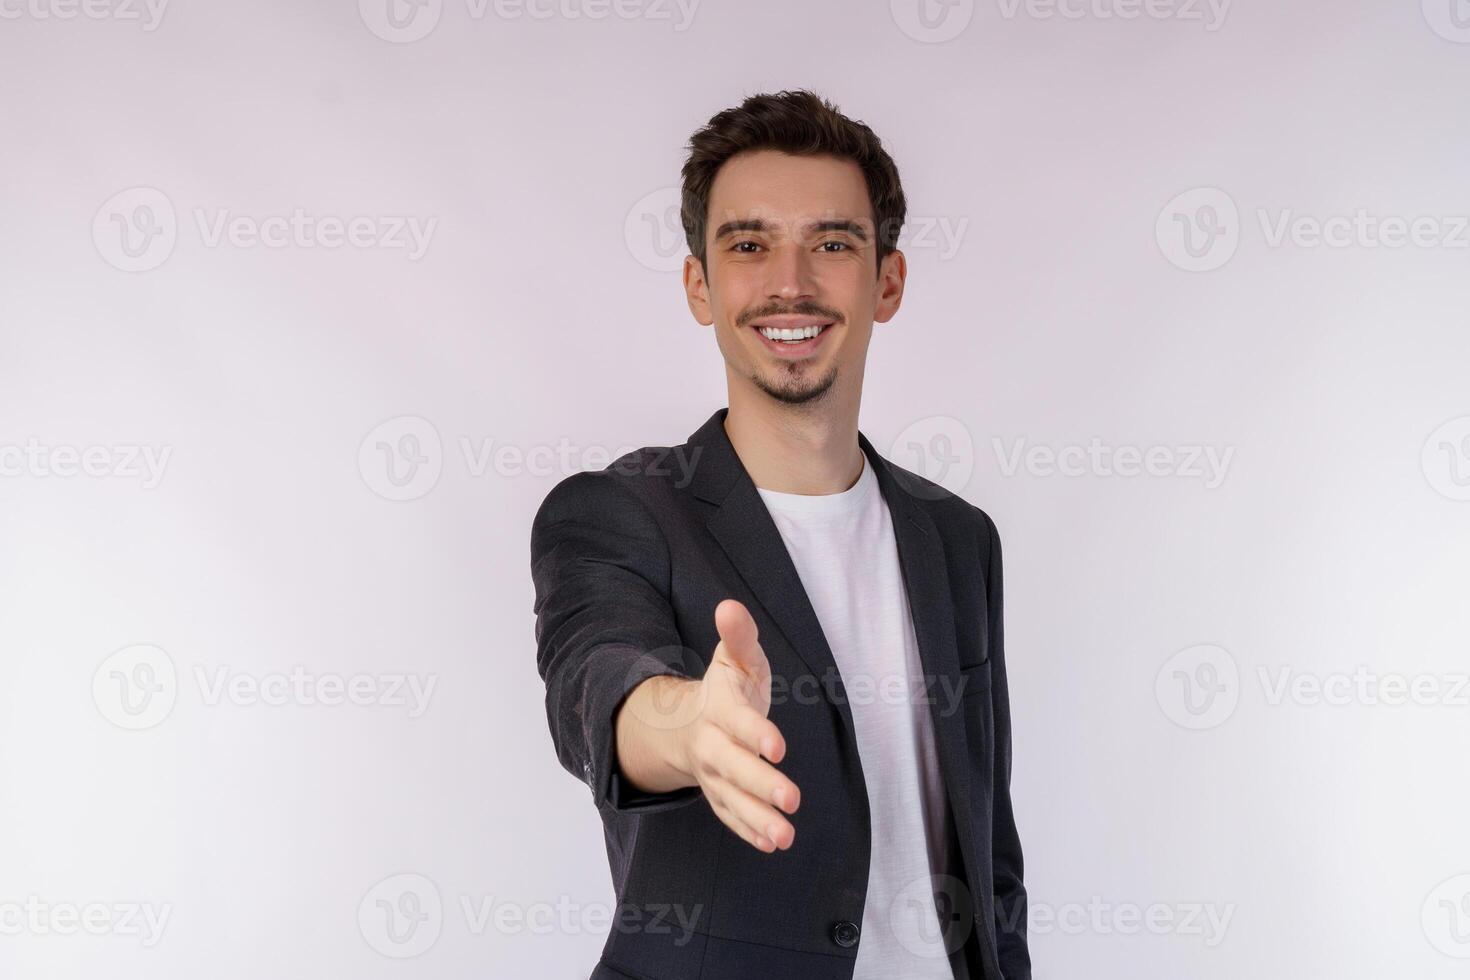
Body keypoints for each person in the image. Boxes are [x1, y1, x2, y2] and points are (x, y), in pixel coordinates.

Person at [530, 89, 1029, 980]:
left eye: (832, 243)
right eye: (749, 245)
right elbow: (596, 680)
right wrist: (687, 726)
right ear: (701, 286)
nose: (789, 283)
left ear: (887, 282)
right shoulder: (620, 512)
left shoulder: (958, 540)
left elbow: (988, 854)